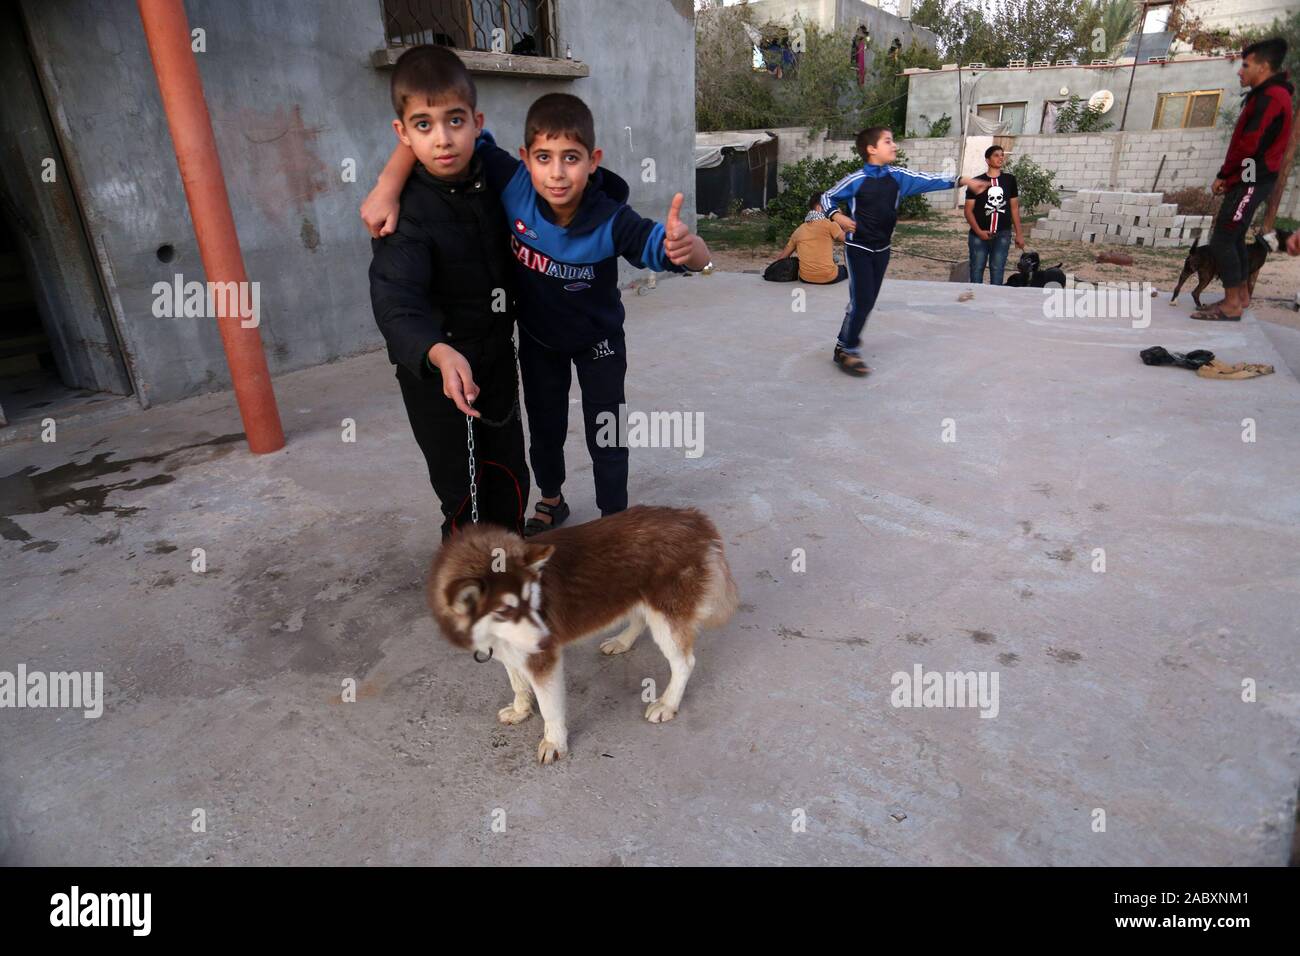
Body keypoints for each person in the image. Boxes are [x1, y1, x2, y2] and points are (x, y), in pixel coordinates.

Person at [363, 92, 712, 534]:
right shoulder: (513, 185)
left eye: (571, 158)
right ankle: (552, 499)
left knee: (608, 430)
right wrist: (388, 183)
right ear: (526, 158)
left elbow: (683, 256)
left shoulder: (613, 220)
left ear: (593, 161)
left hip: (598, 341)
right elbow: (450, 132)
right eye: (544, 157)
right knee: (545, 427)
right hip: (538, 340)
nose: (557, 172)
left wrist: (692, 248)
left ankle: (614, 520)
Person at [366, 45, 529, 539]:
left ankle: (512, 579)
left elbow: (561, 189)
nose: (442, 139)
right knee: (462, 491)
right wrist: (437, 353)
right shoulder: (404, 213)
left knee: (509, 477)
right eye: (423, 125)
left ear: (477, 123)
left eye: (455, 121)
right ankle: (468, 595)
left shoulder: (497, 171)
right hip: (434, 376)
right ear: (403, 133)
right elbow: (396, 302)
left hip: (497, 360)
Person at [818, 127, 988, 376]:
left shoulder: (897, 177)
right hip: (858, 249)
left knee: (866, 301)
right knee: (862, 300)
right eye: (888, 141)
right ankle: (846, 349)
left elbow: (930, 180)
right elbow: (826, 198)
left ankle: (846, 339)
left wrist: (964, 181)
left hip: (882, 249)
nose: (894, 145)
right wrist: (837, 216)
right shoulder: (856, 180)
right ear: (871, 149)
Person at [1196, 37, 1294, 321]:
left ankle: (1231, 305)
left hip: (1253, 178)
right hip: (1250, 177)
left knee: (1223, 237)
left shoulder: (1270, 98)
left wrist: (1227, 175)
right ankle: (1241, 296)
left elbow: (1250, 144)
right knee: (1235, 235)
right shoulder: (1268, 95)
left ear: (1263, 66)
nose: (1240, 71)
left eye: (1246, 65)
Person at [965, 144, 1024, 284]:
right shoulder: (976, 182)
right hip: (978, 235)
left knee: (998, 269)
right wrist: (978, 231)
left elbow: (1014, 208)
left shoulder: (1010, 180)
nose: (1000, 158)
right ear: (987, 160)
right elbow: (968, 210)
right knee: (976, 268)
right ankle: (975, 300)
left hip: (1002, 234)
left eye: (1002, 155)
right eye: (996, 155)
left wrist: (1019, 234)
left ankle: (994, 302)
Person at [774, 193, 848, 284]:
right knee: (845, 269)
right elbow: (849, 240)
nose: (831, 209)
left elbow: (782, 258)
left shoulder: (799, 229)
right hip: (829, 277)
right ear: (819, 207)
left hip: (805, 278)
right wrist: (839, 218)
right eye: (828, 206)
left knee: (834, 258)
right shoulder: (830, 224)